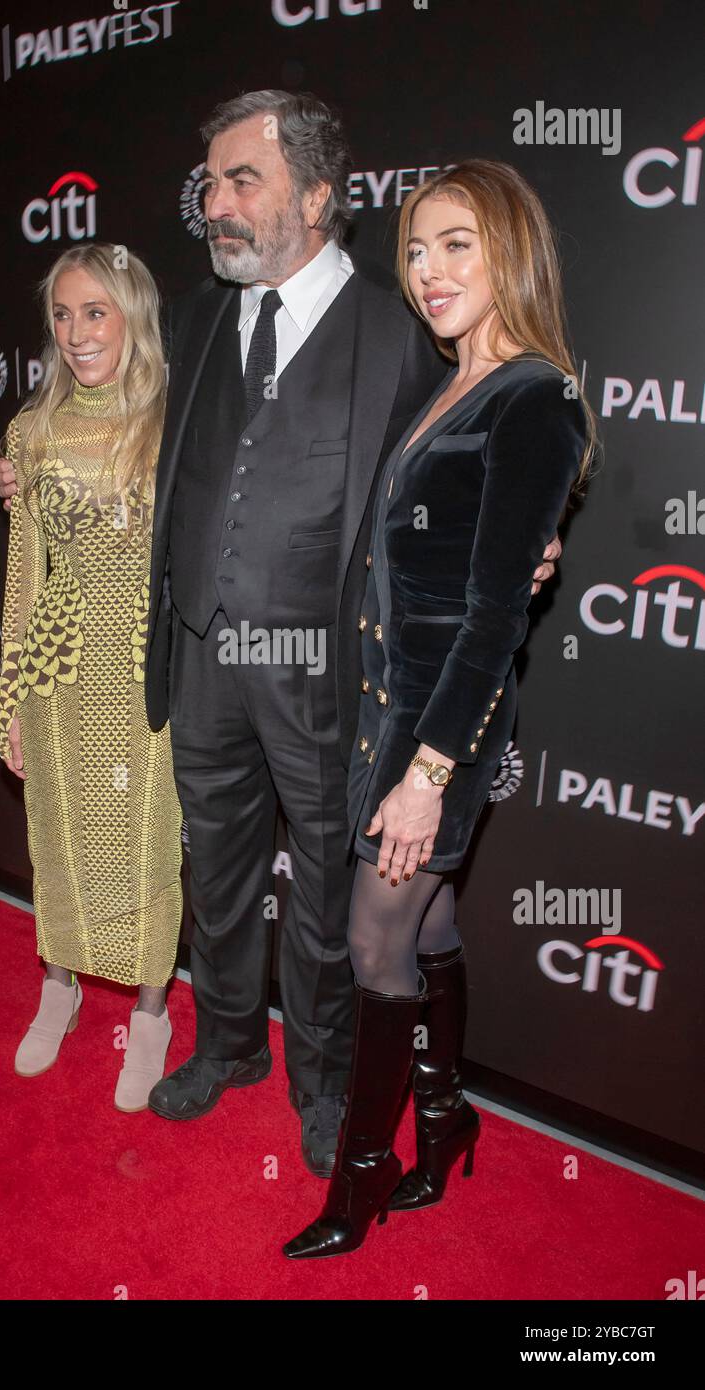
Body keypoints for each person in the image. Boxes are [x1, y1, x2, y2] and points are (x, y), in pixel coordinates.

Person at [0, 92, 561, 1177]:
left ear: (313, 194)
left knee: (317, 898)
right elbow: (111, 430)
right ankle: (229, 1046)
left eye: (239, 179)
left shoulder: (399, 341)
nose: (214, 202)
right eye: (208, 182)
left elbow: (456, 483)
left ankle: (320, 1078)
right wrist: (32, 471)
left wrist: (522, 547)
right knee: (215, 870)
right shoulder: (203, 317)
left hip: (319, 671)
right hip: (200, 657)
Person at [283, 159, 595, 1258]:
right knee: (433, 925)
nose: (426, 270)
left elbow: (490, 618)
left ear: (508, 249)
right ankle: (444, 1116)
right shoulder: (448, 383)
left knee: (375, 943)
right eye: (414, 248)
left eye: (455, 243)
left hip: (439, 726)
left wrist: (426, 773)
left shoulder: (534, 397)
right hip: (389, 704)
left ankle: (358, 1179)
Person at [0, 242, 183, 1111]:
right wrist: (10, 706)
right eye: (63, 315)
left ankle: (151, 1015)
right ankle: (60, 986)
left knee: (146, 850)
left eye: (95, 312)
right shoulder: (30, 431)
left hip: (149, 671)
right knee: (60, 841)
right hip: (57, 667)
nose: (77, 333)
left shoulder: (173, 420)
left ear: (131, 316)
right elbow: (22, 568)